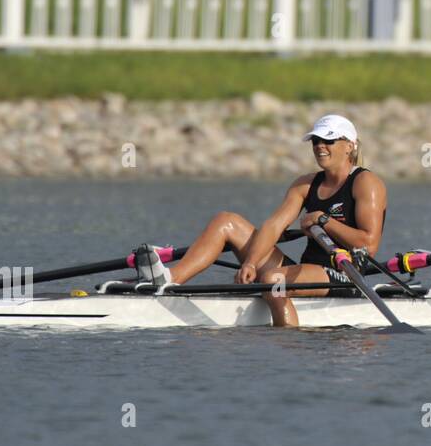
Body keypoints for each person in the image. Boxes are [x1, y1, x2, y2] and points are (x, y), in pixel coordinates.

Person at [139, 114, 386, 327]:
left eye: (329, 140)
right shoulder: (306, 183)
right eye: (316, 140)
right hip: (309, 269)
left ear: (350, 146)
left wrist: (323, 220)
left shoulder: (366, 183)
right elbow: (274, 226)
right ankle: (169, 281)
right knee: (227, 221)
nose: (320, 146)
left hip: (346, 274)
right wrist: (251, 263)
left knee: (273, 280)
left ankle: (289, 337)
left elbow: (368, 244)